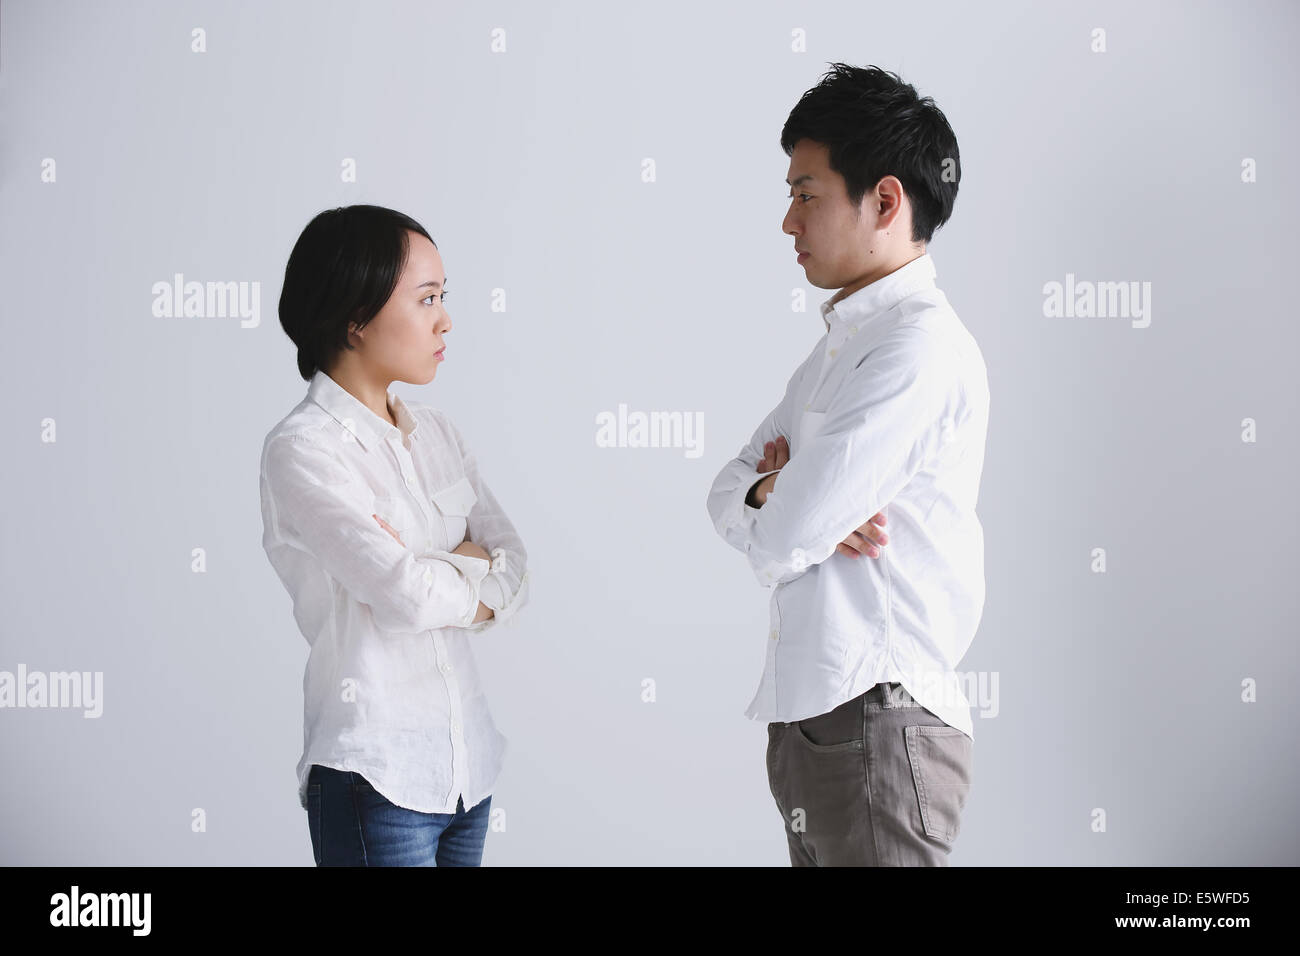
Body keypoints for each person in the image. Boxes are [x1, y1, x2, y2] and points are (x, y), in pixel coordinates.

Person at [705, 64, 990, 866]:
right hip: (820, 718)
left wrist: (790, 504)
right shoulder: (841, 350)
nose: (786, 222)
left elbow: (780, 538)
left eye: (806, 193)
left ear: (886, 201)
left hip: (877, 715)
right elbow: (728, 493)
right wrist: (775, 485)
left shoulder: (915, 348)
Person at [259, 204, 529, 866]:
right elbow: (405, 596)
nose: (446, 319)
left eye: (444, 297)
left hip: (468, 772)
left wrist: (437, 566)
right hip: (375, 777)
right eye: (427, 298)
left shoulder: (440, 434)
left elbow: (516, 566)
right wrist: (467, 567)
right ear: (354, 316)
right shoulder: (304, 450)